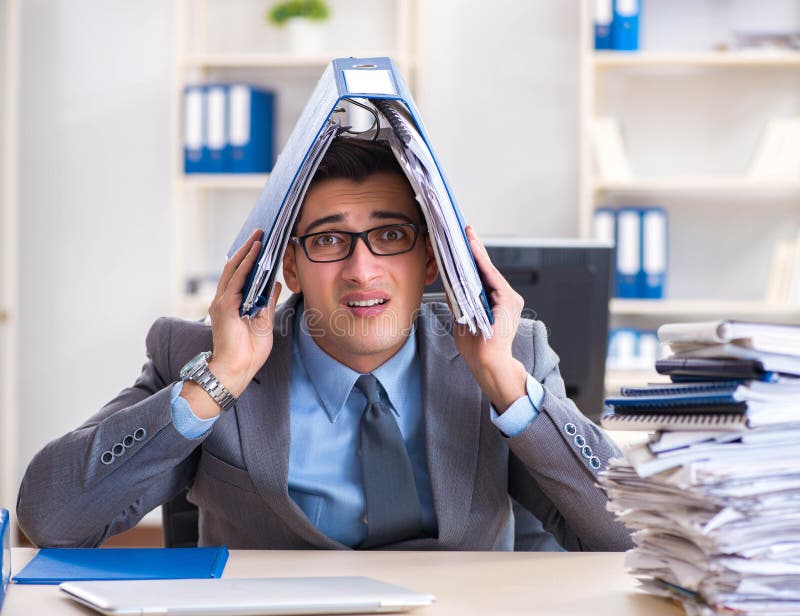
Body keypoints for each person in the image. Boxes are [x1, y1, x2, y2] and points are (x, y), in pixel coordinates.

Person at [17, 138, 632, 551]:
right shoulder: (203, 358)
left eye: (390, 235)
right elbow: (50, 517)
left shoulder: (512, 357)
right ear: (287, 265)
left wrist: (506, 386)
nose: (362, 271)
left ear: (432, 260)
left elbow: (631, 538)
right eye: (330, 241)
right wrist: (219, 380)